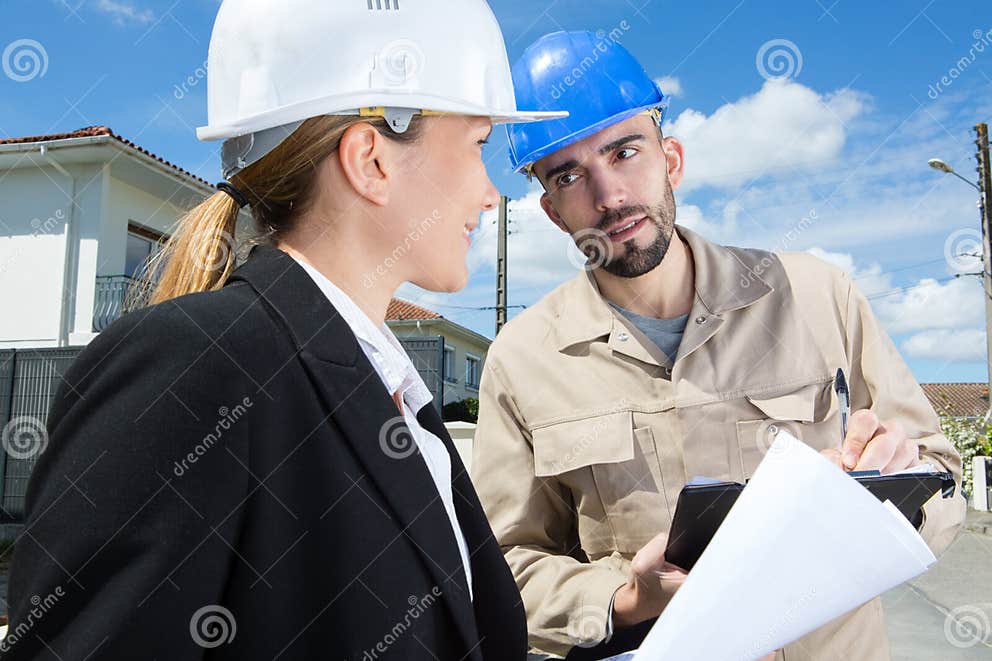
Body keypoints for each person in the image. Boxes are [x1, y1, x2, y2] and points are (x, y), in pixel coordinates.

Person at [2, 2, 564, 659]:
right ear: (371, 161)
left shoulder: (389, 389)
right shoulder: (192, 366)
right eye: (478, 146)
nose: (492, 193)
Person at [472, 30, 966, 660]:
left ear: (671, 160)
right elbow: (504, 564)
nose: (609, 196)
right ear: (552, 211)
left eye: (625, 152)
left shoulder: (820, 297)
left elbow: (943, 481)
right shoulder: (521, 360)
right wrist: (625, 598)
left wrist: (900, 486)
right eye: (569, 175)